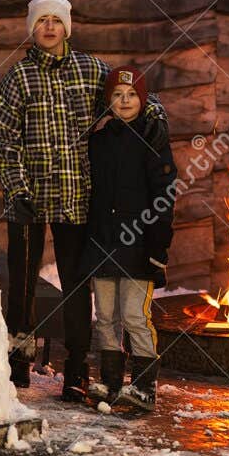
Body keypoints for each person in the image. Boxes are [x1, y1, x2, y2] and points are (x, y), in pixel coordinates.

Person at [0, 0, 167, 400]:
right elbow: (5, 141)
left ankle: (75, 371)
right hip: (29, 199)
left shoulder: (90, 70)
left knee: (75, 283)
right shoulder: (17, 78)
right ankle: (18, 365)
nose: (49, 27)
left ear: (66, 26)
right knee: (21, 285)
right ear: (32, 28)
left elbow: (133, 93)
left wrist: (155, 116)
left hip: (75, 196)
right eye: (41, 21)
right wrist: (16, 188)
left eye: (56, 20)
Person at [80, 65, 176, 412]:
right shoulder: (99, 141)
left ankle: (144, 386)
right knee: (105, 316)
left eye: (132, 95)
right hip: (103, 241)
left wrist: (158, 245)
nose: (124, 101)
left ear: (143, 99)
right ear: (108, 101)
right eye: (117, 96)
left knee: (135, 315)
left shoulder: (153, 138)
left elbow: (164, 195)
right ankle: (109, 380)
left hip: (139, 243)